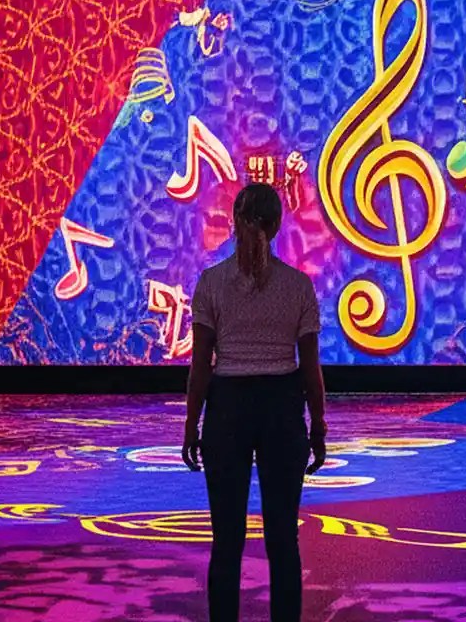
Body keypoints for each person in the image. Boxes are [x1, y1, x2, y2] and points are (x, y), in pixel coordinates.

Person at [182, 182, 329, 622]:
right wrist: (317, 425)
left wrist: (192, 424)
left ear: (235, 224)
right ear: (278, 225)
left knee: (227, 540)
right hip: (282, 411)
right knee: (283, 538)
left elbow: (201, 367)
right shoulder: (299, 286)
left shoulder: (211, 283)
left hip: (226, 411)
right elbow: (310, 372)